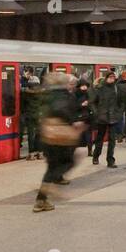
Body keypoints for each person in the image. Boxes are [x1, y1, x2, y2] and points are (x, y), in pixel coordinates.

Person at [34, 71, 86, 212]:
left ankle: (42, 197)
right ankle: (46, 192)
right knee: (68, 162)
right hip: (61, 137)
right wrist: (73, 121)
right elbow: (63, 110)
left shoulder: (45, 95)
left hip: (46, 136)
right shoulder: (64, 96)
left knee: (52, 166)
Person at [88, 69, 125, 167]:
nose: (112, 79)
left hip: (113, 117)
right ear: (106, 78)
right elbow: (92, 102)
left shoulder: (117, 89)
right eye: (110, 77)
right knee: (100, 138)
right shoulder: (99, 88)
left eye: (113, 78)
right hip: (102, 117)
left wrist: (119, 113)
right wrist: (97, 113)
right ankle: (96, 156)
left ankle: (110, 160)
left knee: (112, 140)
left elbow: (122, 102)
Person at [21, 75, 43, 160]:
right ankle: (40, 153)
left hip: (30, 116)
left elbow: (22, 107)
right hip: (40, 116)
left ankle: (31, 154)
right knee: (39, 134)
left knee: (31, 135)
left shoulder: (25, 94)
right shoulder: (42, 94)